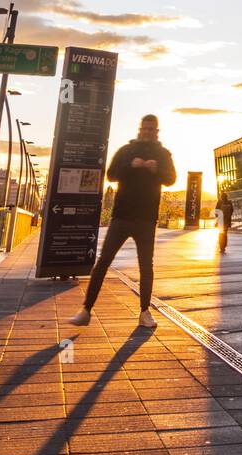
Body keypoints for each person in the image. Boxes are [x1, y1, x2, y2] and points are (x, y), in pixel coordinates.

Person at [69, 114, 176, 329]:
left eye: (151, 129)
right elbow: (110, 175)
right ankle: (86, 310)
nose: (147, 132)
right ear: (140, 129)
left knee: (146, 266)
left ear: (157, 131)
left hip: (146, 219)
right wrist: (131, 165)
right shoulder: (126, 151)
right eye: (144, 128)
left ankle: (145, 312)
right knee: (103, 262)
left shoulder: (163, 154)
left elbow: (171, 178)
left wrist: (157, 170)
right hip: (121, 216)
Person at [215, 189, 234, 254]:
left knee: (221, 234)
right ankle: (224, 246)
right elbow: (232, 211)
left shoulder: (219, 202)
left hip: (221, 221)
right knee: (225, 234)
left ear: (221, 197)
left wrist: (217, 219)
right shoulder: (229, 202)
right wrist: (228, 217)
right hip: (227, 221)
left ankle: (221, 247)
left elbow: (216, 212)